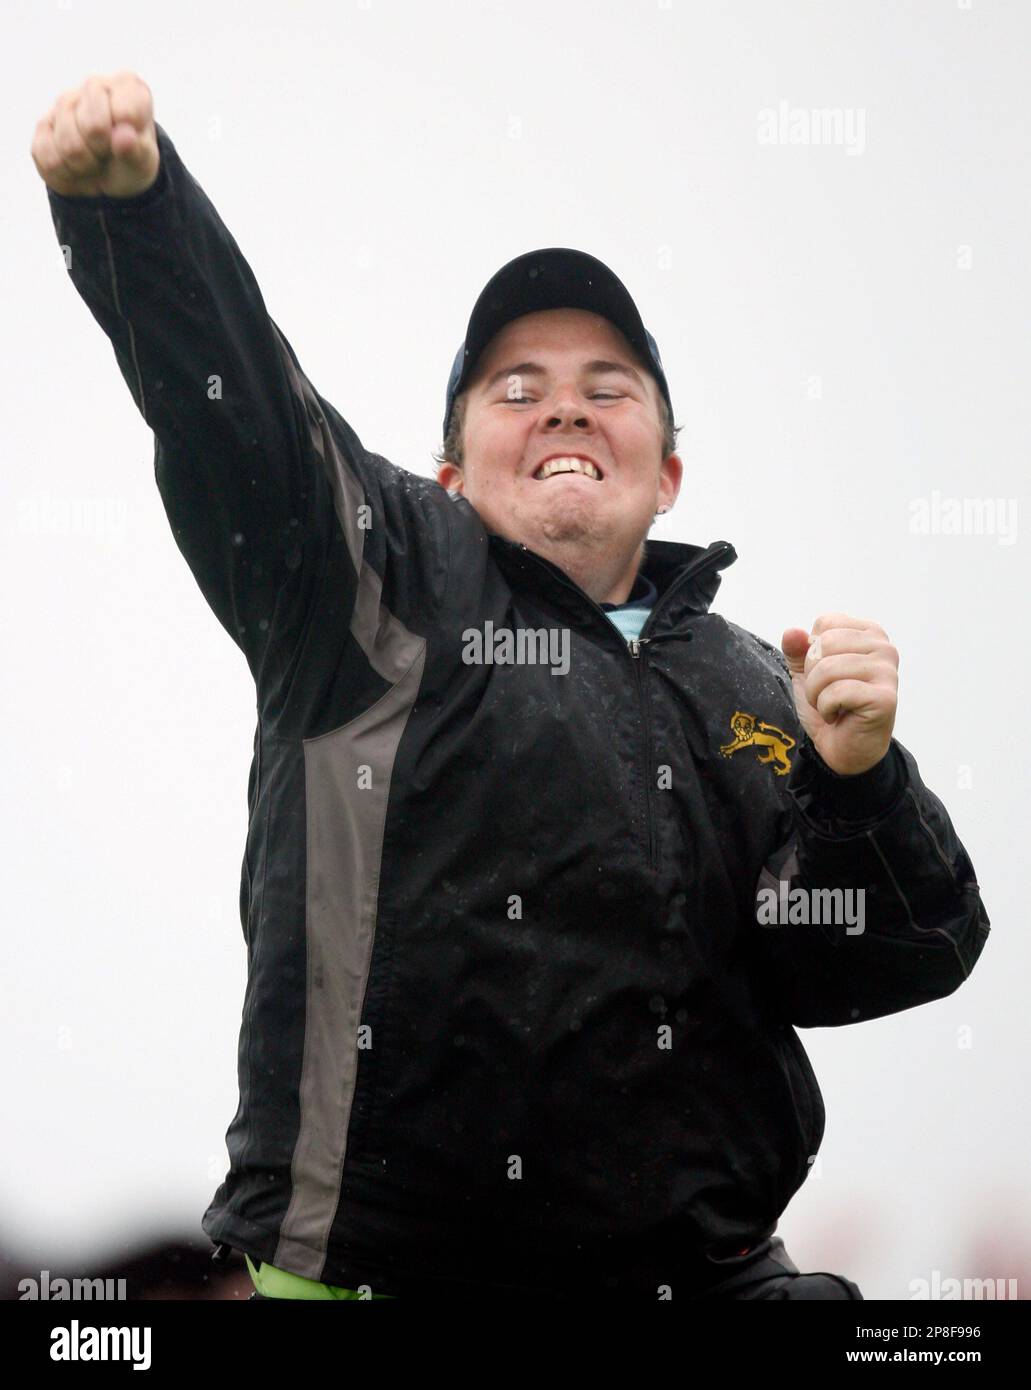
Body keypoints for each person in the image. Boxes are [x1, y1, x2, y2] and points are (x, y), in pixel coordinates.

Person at [33, 71, 990, 1303]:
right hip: (372, 1278)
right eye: (515, 389)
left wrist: (860, 784)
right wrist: (136, 218)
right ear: (448, 465)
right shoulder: (365, 578)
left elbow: (893, 955)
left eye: (607, 388)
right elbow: (243, 417)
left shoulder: (758, 685)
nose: (562, 411)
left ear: (668, 472)